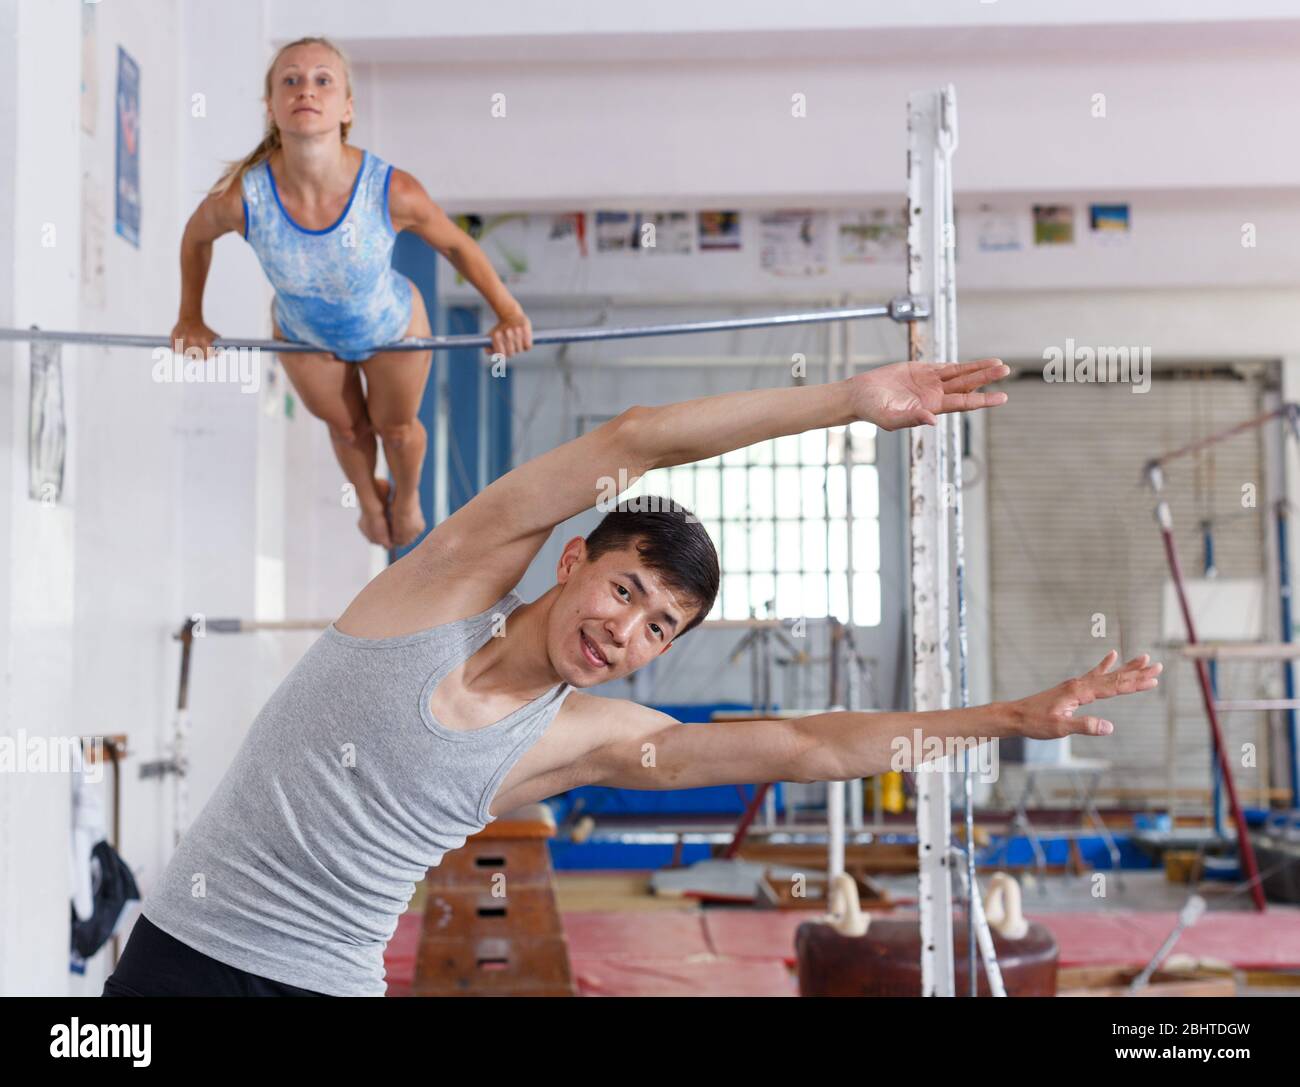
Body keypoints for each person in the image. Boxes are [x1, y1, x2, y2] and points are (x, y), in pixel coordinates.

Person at [102, 357, 1161, 997]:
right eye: (623, 591)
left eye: (660, 627)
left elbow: (811, 745)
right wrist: (849, 400)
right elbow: (635, 441)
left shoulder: (584, 738)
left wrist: (1013, 716)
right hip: (181, 949)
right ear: (573, 562)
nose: (625, 631)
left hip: (323, 984)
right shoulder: (439, 586)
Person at [171, 36, 533, 550]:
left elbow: (454, 246)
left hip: (392, 326)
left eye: (323, 80)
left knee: (397, 430)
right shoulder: (243, 197)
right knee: (347, 432)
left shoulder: (390, 189)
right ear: (271, 107)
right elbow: (195, 238)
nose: (306, 90)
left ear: (347, 108)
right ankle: (369, 502)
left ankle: (405, 498)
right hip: (305, 334)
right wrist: (190, 317)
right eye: (290, 80)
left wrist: (508, 311)